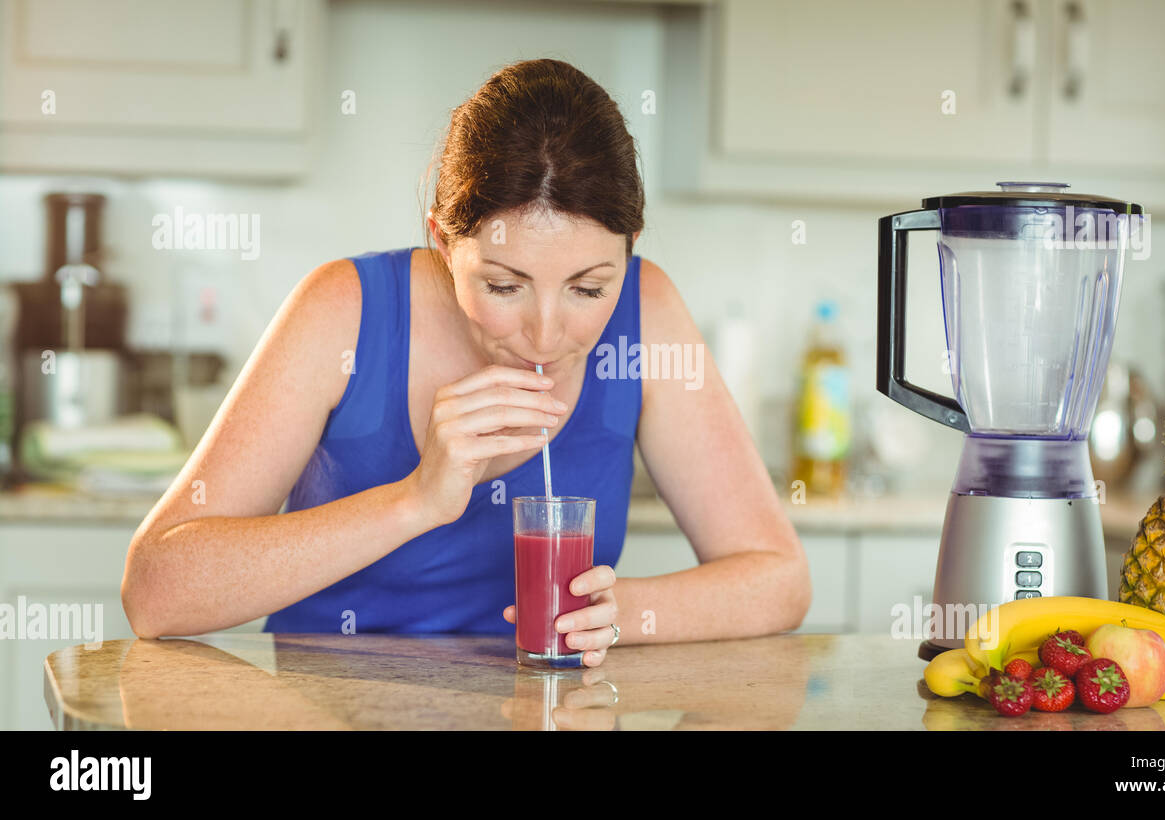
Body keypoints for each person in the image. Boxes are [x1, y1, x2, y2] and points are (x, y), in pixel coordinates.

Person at [121, 59, 810, 667]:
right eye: (504, 286)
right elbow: (155, 594)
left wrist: (626, 613)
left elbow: (779, 579)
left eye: (589, 289)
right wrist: (415, 500)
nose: (544, 334)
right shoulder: (345, 311)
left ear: (630, 247)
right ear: (444, 244)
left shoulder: (648, 314)